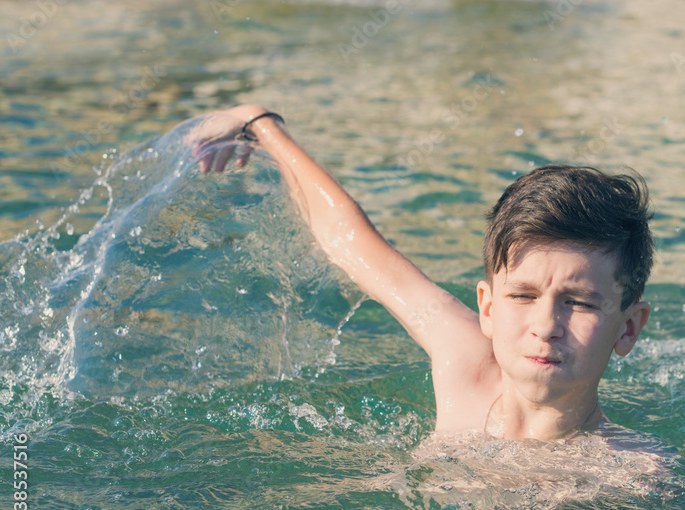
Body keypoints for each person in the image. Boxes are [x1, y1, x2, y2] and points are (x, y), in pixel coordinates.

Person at [189, 104, 653, 443]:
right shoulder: (467, 363)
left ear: (628, 327)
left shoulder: (635, 470)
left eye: (580, 302)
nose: (546, 326)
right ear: (487, 308)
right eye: (523, 296)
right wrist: (260, 125)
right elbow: (350, 240)